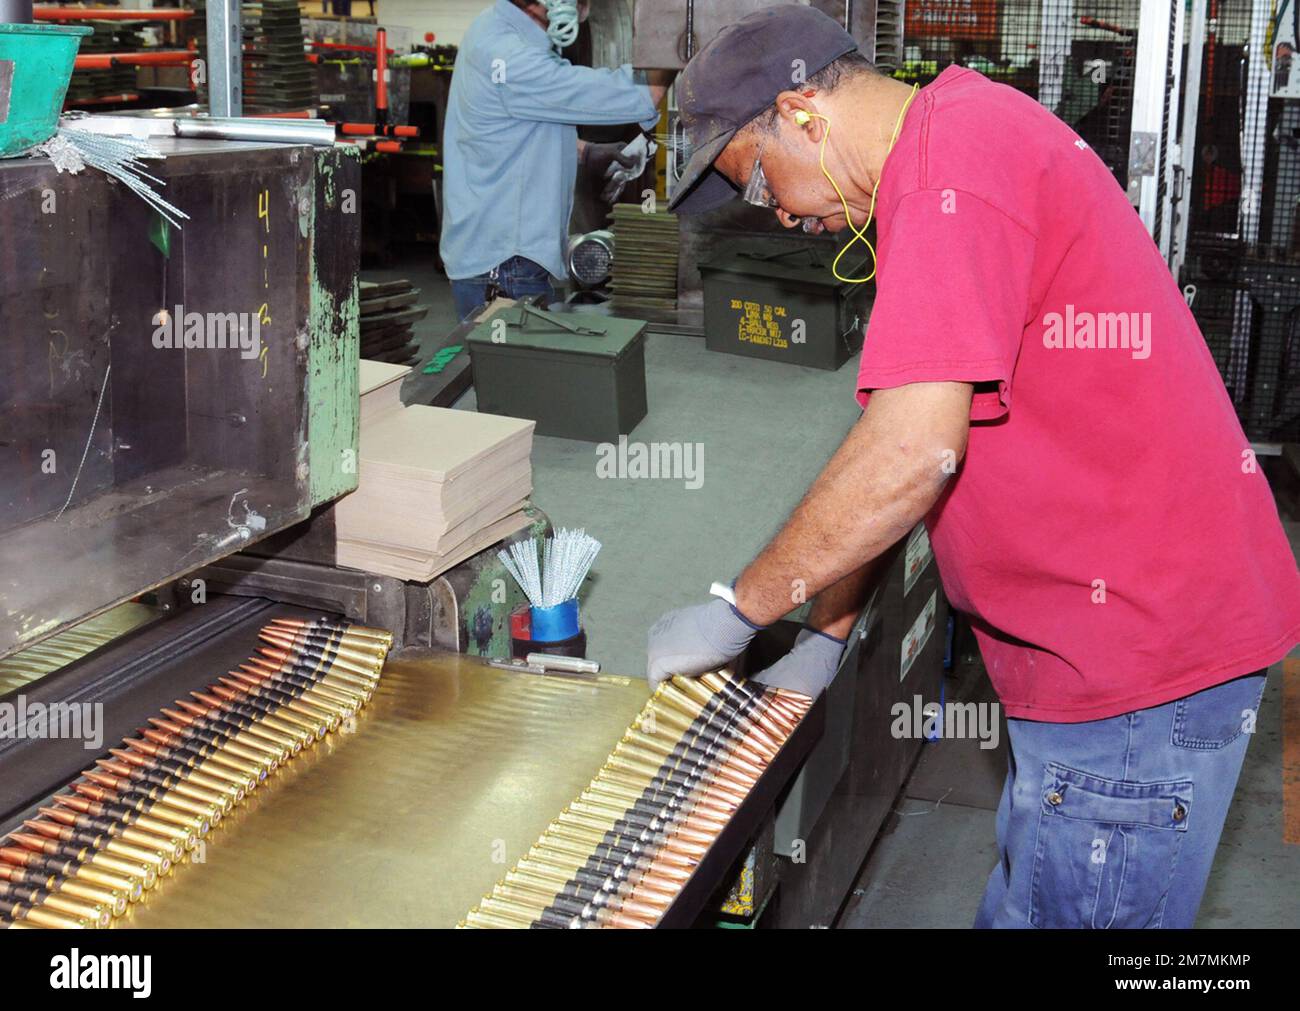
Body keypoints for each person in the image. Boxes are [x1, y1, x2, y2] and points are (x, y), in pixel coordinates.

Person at [646, 5, 1300, 929]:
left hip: (1139, 666)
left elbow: (917, 449)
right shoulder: (946, 156)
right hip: (1106, 650)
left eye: (756, 181)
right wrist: (824, 636)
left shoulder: (956, 169)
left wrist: (742, 606)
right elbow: (901, 443)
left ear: (801, 112)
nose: (784, 213)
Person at [440, 0, 668, 320]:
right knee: (522, 367)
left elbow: (512, 126)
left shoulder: (495, 29)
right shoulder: (509, 51)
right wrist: (676, 42)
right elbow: (634, 94)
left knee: (507, 368)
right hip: (505, 264)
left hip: (502, 257)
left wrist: (585, 152)